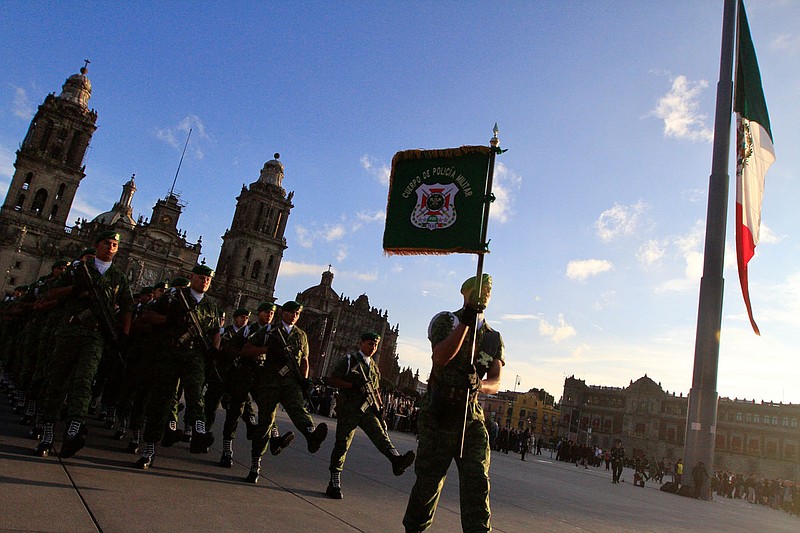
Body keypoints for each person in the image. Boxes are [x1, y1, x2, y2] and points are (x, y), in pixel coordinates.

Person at [403, 273, 504, 533]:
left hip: (470, 417)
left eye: (488, 292)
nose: (484, 295)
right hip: (439, 413)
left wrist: (480, 384)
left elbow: (496, 381)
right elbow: (441, 357)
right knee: (428, 482)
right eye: (479, 290)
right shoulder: (446, 320)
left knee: (477, 484)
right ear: (465, 293)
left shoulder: (493, 338)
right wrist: (466, 323)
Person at [35, 231, 134, 458]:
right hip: (69, 331)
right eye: (107, 243)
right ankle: (47, 432)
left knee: (84, 380)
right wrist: (74, 290)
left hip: (96, 336)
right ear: (96, 245)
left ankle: (74, 428)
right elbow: (51, 292)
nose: (111, 247)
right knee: (57, 379)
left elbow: (127, 306)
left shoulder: (119, 276)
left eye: (115, 245)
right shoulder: (77, 270)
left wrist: (124, 335)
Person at [133, 264, 221, 469]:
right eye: (201, 278)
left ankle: (199, 432)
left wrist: (214, 349)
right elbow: (147, 316)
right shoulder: (174, 298)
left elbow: (216, 330)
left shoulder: (211, 305)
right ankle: (149, 449)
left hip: (195, 357)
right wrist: (169, 320)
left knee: (195, 395)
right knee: (161, 400)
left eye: (208, 279)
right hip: (170, 354)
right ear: (192, 277)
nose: (205, 281)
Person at [239, 300, 328, 483]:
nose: (295, 316)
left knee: (298, 409)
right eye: (292, 313)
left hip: (291, 383)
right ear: (284, 313)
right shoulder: (269, 331)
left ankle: (311, 435)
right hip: (270, 383)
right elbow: (246, 349)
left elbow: (305, 360)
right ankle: (255, 465)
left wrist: (304, 381)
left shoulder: (300, 335)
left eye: (298, 313)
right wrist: (267, 350)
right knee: (265, 423)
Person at [324, 331, 415, 499]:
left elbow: (376, 389)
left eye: (375, 345)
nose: (373, 347)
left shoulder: (373, 366)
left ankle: (396, 460)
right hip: (350, 409)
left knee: (381, 435)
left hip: (367, 409)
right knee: (342, 444)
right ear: (361, 343)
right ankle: (334, 479)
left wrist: (380, 407)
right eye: (369, 344)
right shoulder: (349, 360)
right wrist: (352, 386)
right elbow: (332, 380)